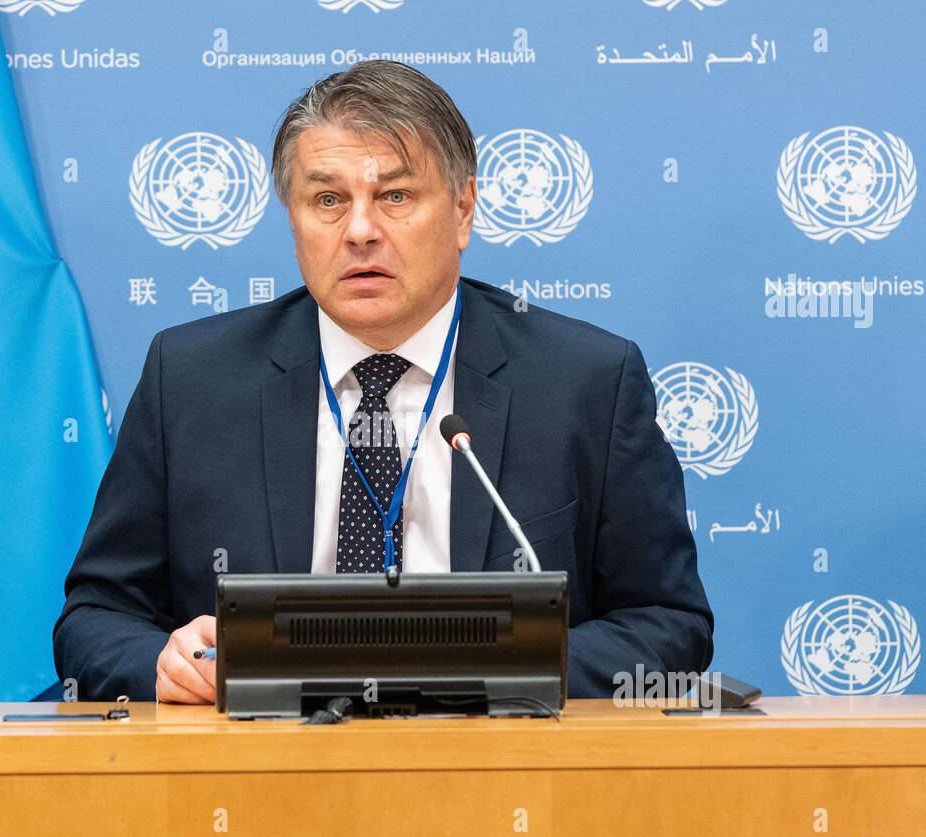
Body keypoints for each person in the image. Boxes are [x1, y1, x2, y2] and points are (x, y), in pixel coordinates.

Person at [54, 60, 712, 703]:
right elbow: (96, 617)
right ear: (293, 221)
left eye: (395, 196)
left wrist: (501, 666)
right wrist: (163, 664)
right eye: (328, 200)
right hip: (261, 759)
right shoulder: (193, 379)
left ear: (463, 209)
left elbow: (668, 622)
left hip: (496, 758)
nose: (361, 231)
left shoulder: (585, 383)